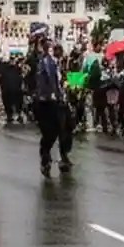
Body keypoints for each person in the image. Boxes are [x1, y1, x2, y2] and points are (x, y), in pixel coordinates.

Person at [34, 41, 74, 177]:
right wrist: (48, 95)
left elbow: (63, 80)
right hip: (48, 102)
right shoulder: (45, 63)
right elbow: (43, 82)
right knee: (50, 132)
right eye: (54, 49)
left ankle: (64, 156)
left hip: (60, 100)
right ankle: (46, 158)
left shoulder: (61, 64)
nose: (58, 52)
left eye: (58, 49)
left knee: (67, 127)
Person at [0, 56, 24, 125]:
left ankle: (14, 114)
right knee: (13, 102)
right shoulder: (16, 68)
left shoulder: (16, 68)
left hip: (11, 89)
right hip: (11, 89)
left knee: (12, 102)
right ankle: (14, 114)